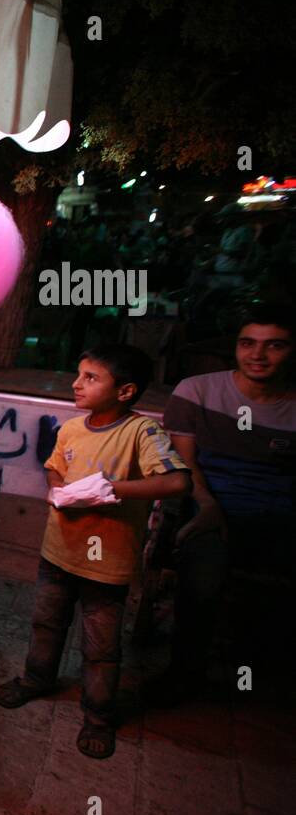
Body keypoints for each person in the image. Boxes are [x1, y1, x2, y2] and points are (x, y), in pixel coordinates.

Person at [0, 344, 191, 759]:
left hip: (107, 566)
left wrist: (110, 490)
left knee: (101, 646)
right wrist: (55, 485)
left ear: (125, 391)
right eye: (78, 374)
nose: (76, 384)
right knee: (46, 623)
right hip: (58, 552)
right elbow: (54, 466)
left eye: (90, 377)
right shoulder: (71, 428)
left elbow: (177, 483)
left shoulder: (142, 433)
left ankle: (99, 716)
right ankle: (36, 679)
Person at [146, 302, 296, 705]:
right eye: (248, 343)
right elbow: (184, 465)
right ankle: (185, 673)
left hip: (278, 512)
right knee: (202, 577)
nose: (258, 355)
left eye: (274, 346)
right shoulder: (197, 391)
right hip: (207, 498)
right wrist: (209, 507)